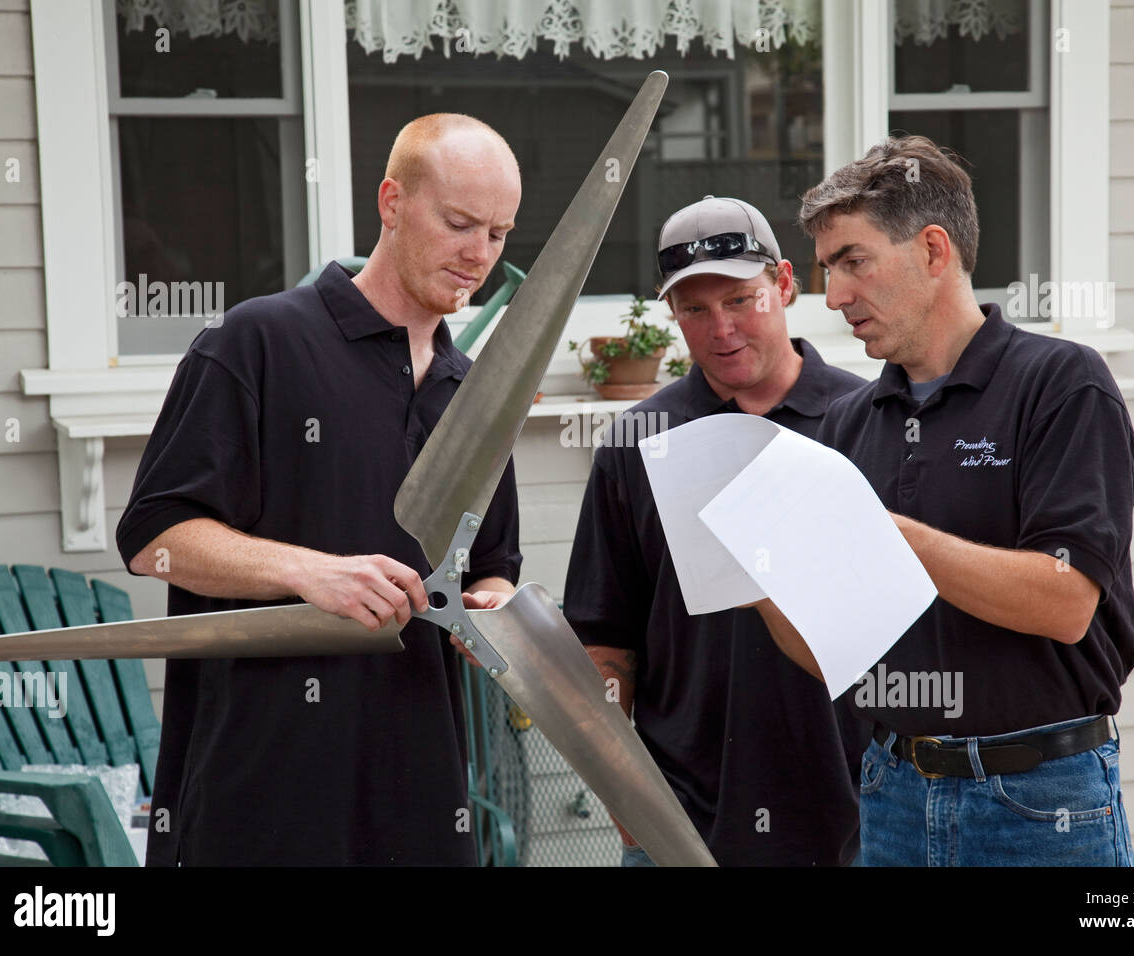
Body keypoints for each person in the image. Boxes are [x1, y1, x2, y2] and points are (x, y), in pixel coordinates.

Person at [116, 114, 525, 865]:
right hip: (260, 795)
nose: (480, 256)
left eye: (499, 234)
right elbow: (153, 538)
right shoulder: (258, 340)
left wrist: (493, 608)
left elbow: (492, 562)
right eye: (461, 223)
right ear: (392, 201)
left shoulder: (476, 399)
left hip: (424, 802)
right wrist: (309, 572)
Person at [758, 135, 1134, 866]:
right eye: (827, 269)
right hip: (892, 792)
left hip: (1040, 803)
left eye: (852, 262)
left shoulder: (1062, 385)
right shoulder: (847, 424)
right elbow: (837, 651)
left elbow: (1064, 604)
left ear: (934, 251)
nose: (833, 296)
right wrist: (761, 586)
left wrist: (892, 534)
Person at [563, 196, 870, 866]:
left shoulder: (868, 422)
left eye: (740, 300)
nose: (721, 328)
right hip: (683, 823)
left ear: (785, 283)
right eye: (694, 310)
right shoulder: (638, 443)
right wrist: (623, 790)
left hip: (854, 820)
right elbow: (604, 638)